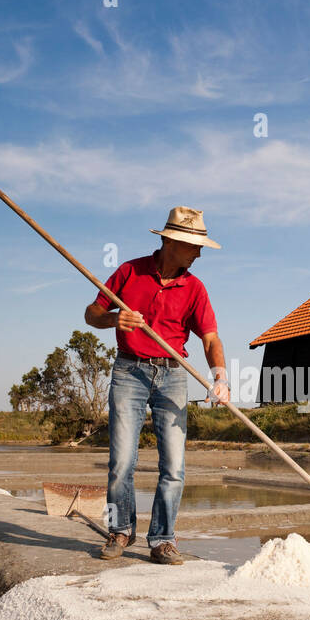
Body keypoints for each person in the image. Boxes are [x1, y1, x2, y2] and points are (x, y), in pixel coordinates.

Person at [83, 206, 230, 565]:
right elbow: (91, 314)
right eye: (193, 247)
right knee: (121, 460)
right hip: (129, 373)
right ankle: (120, 530)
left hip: (173, 375)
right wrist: (117, 318)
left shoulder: (194, 287)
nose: (198, 254)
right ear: (171, 241)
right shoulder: (129, 271)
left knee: (174, 466)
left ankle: (162, 540)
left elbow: (210, 338)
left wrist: (221, 376)